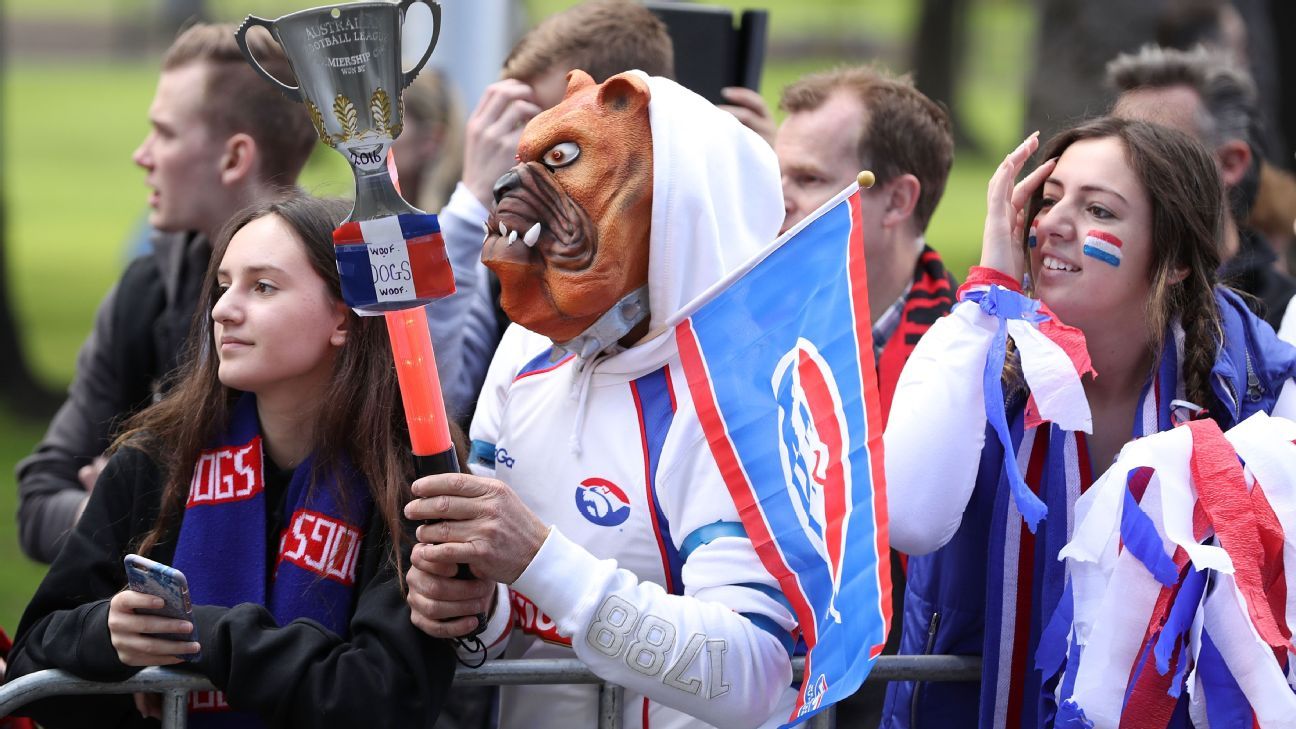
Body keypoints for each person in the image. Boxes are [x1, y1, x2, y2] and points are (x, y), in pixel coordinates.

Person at [404, 70, 798, 729]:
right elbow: (503, 629)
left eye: (561, 162)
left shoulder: (744, 397)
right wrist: (469, 603)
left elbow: (757, 671)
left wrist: (540, 558)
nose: (521, 192)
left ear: (676, 198)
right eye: (525, 164)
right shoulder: (524, 351)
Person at [882, 118, 1296, 727]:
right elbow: (909, 520)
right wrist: (987, 294)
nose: (1052, 224)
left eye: (1098, 208)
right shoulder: (976, 341)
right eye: (1047, 202)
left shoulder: (1254, 380)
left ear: (1174, 258)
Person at [4, 193, 457, 728]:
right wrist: (106, 634)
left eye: (262, 287)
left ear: (342, 318)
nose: (223, 310)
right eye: (223, 285)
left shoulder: (412, 482)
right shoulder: (158, 458)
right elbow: (28, 669)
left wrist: (203, 635)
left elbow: (383, 697)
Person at [15, 23, 317, 563]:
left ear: (233, 158)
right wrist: (112, 511)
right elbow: (37, 502)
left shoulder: (347, 293)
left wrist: (127, 497)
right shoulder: (149, 287)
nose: (142, 154)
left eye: (166, 133)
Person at [439, 0, 675, 417]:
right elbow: (439, 390)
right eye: (515, 123)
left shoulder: (685, 246)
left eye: (557, 141)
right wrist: (470, 200)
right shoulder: (514, 233)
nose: (520, 151)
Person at [1107, 44, 1296, 330]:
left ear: (1230, 163)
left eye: (1155, 149)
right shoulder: (1089, 286)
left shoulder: (1283, 323)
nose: (1120, 167)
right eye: (1113, 145)